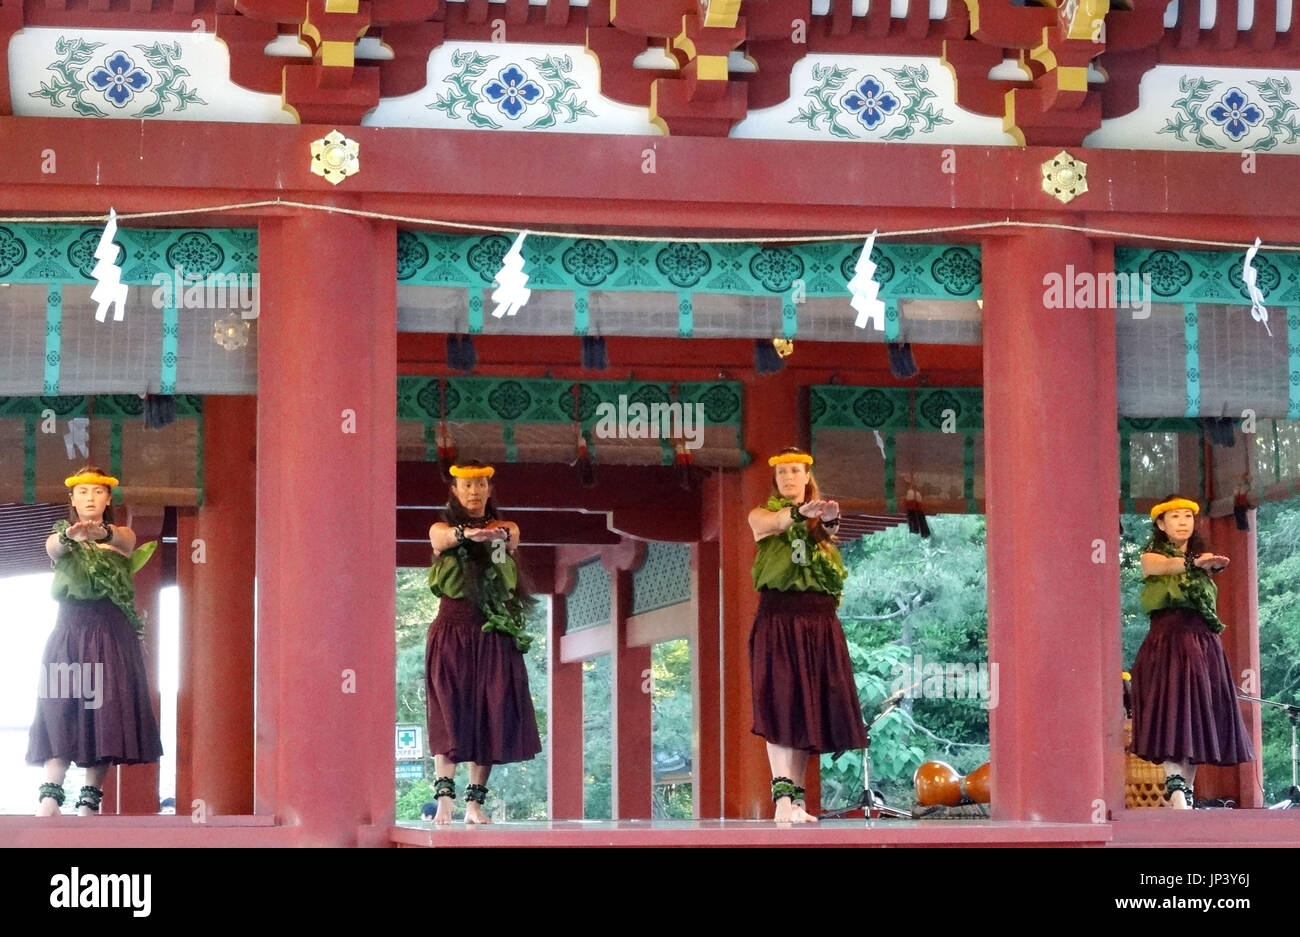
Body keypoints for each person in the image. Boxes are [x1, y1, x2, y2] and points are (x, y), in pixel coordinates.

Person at [28, 467, 163, 816]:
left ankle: (89, 797)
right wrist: (72, 536)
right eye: (83, 492)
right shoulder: (59, 538)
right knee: (60, 705)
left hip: (110, 633)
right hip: (69, 632)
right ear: (72, 498)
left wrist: (100, 532)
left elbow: (122, 541)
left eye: (98, 492)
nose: (90, 497)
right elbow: (55, 548)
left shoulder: (122, 537)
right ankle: (51, 795)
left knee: (104, 711)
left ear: (108, 498)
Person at [748, 447, 867, 822]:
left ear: (806, 477)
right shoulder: (762, 514)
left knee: (805, 708)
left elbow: (826, 540)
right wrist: (801, 512)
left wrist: (828, 521)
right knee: (781, 702)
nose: (787, 478)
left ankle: (795, 801)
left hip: (819, 621)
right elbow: (773, 525)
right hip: (780, 618)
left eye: (794, 472)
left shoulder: (819, 529)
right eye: (782, 473)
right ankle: (781, 801)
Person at [425, 461, 540, 825]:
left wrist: (491, 537)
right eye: (466, 486)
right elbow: (441, 540)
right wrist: (465, 535)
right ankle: (445, 797)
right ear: (455, 491)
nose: (474, 492)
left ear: (490, 489)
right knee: (449, 708)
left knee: (490, 710)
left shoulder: (506, 529)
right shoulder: (440, 529)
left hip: (493, 629)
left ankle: (475, 803)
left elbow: (510, 538)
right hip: (453, 630)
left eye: (480, 485)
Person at [1131, 494, 1255, 808]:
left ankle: (1183, 791)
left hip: (1202, 642)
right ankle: (1175, 786)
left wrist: (1202, 563)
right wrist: (1196, 562)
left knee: (1196, 715)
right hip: (1168, 640)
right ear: (1160, 523)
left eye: (1188, 516)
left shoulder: (1202, 560)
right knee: (1172, 709)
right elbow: (1159, 566)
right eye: (1175, 516)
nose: (1183, 522)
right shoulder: (1152, 557)